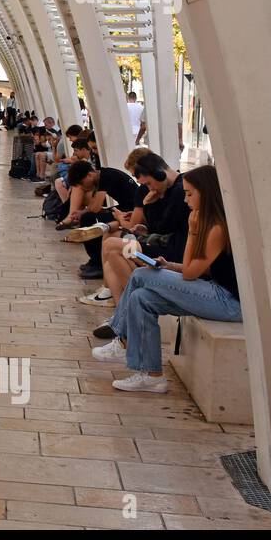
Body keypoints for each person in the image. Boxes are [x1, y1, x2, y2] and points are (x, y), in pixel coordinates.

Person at [91, 165, 242, 393]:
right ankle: (152, 375)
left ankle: (121, 336)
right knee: (142, 298)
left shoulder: (216, 228)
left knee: (141, 274)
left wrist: (192, 231)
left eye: (190, 193)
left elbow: (192, 274)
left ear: (207, 193)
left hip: (228, 302)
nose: (185, 199)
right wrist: (170, 266)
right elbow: (203, 270)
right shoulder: (211, 222)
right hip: (213, 290)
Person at [85, 151, 192, 314]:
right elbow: (160, 226)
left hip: (173, 251)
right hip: (164, 244)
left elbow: (162, 227)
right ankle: (124, 313)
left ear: (159, 173)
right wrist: (146, 227)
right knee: (111, 257)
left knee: (112, 245)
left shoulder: (178, 191)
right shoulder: (171, 188)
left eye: (149, 183)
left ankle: (131, 309)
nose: (150, 188)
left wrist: (149, 203)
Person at [57, 159, 142, 280]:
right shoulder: (104, 174)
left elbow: (96, 207)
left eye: (82, 183)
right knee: (88, 216)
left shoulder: (105, 177)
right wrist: (82, 211)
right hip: (125, 207)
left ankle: (97, 262)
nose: (83, 187)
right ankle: (95, 261)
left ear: (90, 174)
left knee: (88, 219)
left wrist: (83, 213)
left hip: (130, 211)